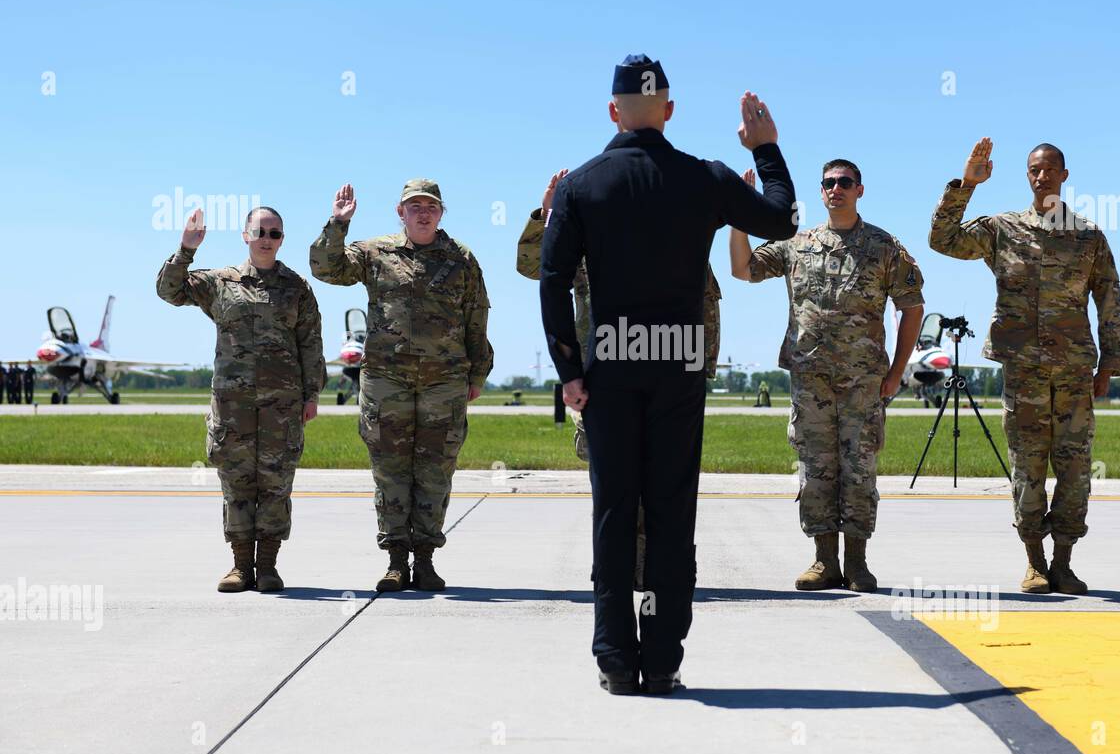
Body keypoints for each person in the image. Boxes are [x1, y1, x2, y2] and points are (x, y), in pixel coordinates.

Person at [540, 54, 796, 695]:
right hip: (678, 365)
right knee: (671, 515)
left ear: (613, 111)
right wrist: (765, 149)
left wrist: (569, 371)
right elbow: (782, 219)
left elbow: (552, 281)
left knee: (613, 513)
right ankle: (661, 659)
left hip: (611, 367)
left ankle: (614, 659)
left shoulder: (581, 185)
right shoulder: (704, 178)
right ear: (670, 111)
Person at [929, 138, 1120, 594]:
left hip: (1074, 371)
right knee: (1027, 468)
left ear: (1064, 175)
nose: (1042, 176)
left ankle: (1064, 562)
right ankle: (1035, 562)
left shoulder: (1088, 237)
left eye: (1050, 169)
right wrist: (966, 185)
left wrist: (1110, 365)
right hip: (1023, 372)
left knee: (1075, 468)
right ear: (1027, 176)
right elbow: (943, 240)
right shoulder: (1003, 229)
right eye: (1034, 170)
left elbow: (1109, 300)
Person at [518, 169, 724, 592]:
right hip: (603, 378)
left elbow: (705, 310)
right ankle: (615, 565)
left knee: (662, 482)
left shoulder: (681, 250)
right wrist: (547, 214)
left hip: (667, 377)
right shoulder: (591, 246)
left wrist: (700, 369)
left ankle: (656, 567)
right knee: (614, 483)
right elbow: (533, 267)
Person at [731, 158, 925, 591]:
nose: (836, 188)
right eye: (829, 183)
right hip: (811, 381)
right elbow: (743, 269)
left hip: (863, 383)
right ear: (821, 192)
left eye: (845, 182)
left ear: (859, 190)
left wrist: (897, 372)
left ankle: (856, 562)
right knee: (816, 469)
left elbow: (912, 307)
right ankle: (823, 561)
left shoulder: (883, 246)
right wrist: (740, 215)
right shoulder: (796, 244)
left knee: (859, 469)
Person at [311, 179, 493, 593]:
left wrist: (477, 373)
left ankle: (425, 560)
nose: (423, 213)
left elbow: (477, 316)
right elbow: (326, 268)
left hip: (444, 381)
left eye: (431, 206)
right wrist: (338, 224)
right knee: (390, 471)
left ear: (441, 213)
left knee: (435, 471)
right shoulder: (376, 253)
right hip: (386, 381)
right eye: (415, 206)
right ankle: (396, 561)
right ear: (401, 212)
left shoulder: (461, 258)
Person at [157, 206, 326, 592]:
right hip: (233, 407)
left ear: (282, 240)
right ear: (246, 235)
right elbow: (169, 291)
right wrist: (186, 249)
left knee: (275, 485)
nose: (267, 239)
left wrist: (311, 395)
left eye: (274, 233)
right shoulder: (220, 282)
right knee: (236, 484)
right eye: (260, 231)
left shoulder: (296, 287)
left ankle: (267, 567)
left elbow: (311, 344)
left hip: (281, 407)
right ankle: (239, 566)